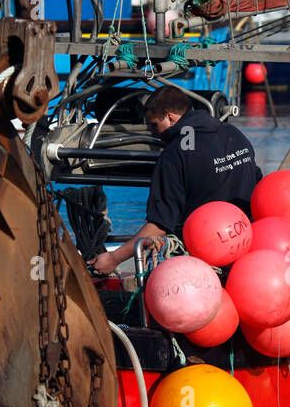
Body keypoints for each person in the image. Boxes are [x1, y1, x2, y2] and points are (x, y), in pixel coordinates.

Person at [91, 85, 261, 274]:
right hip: (246, 247)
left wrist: (115, 258)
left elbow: (160, 225)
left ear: (171, 117)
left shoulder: (174, 155)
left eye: (154, 124)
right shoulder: (234, 132)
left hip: (205, 256)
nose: (151, 131)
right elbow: (258, 184)